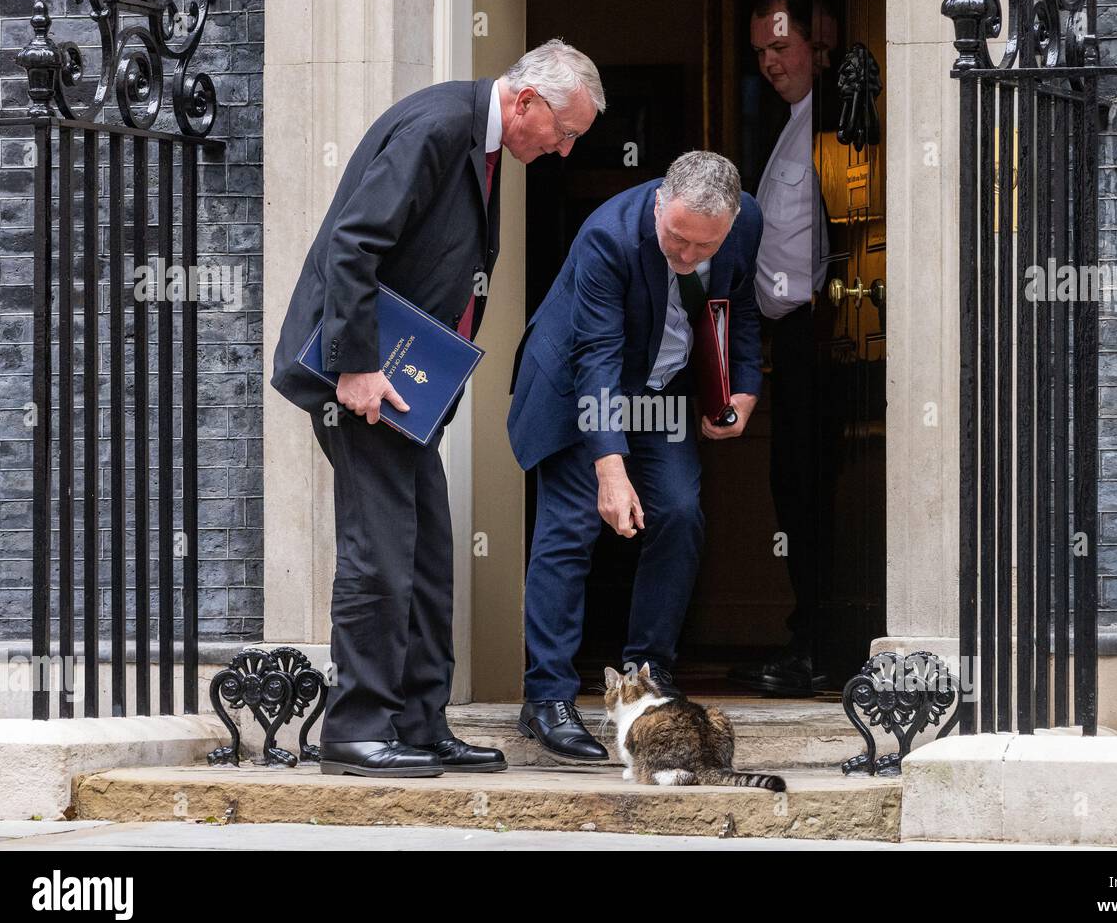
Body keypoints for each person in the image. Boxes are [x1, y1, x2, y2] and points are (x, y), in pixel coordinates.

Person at [270, 40, 605, 778]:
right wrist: (355, 367)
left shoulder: (478, 139)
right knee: (380, 554)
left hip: (406, 391)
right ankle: (356, 731)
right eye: (565, 131)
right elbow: (354, 246)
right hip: (360, 382)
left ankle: (420, 723)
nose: (564, 148)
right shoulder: (436, 128)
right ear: (526, 103)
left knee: (426, 556)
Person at [507, 152, 763, 761]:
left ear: (729, 224)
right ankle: (546, 698)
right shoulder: (607, 236)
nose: (688, 257)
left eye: (704, 247)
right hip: (579, 388)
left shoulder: (745, 219)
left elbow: (741, 308)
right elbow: (595, 356)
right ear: (658, 207)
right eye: (677, 240)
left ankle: (649, 672)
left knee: (678, 510)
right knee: (570, 530)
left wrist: (744, 384)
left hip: (662, 387)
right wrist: (610, 468)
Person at [728, 0, 837, 696]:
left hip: (821, 332)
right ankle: (809, 641)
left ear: (816, 43)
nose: (770, 62)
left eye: (780, 45)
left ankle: (820, 649)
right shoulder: (789, 123)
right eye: (761, 52)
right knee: (790, 489)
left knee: (810, 490)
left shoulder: (834, 122)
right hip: (786, 336)